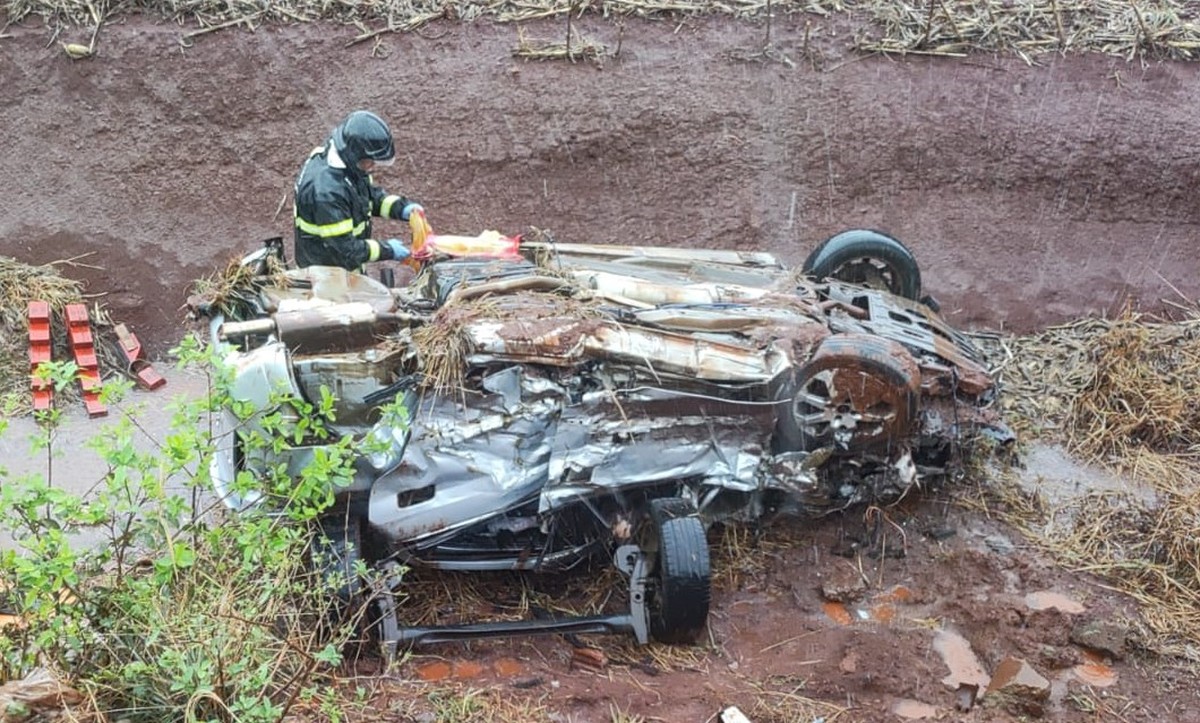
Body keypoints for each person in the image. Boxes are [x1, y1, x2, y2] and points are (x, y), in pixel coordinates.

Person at [292, 110, 428, 270]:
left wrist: (402, 208)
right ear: (354, 154)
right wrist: (388, 250)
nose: (372, 166)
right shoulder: (327, 192)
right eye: (369, 161)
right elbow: (345, 249)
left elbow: (364, 198)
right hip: (327, 276)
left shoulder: (345, 164)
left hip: (345, 268)